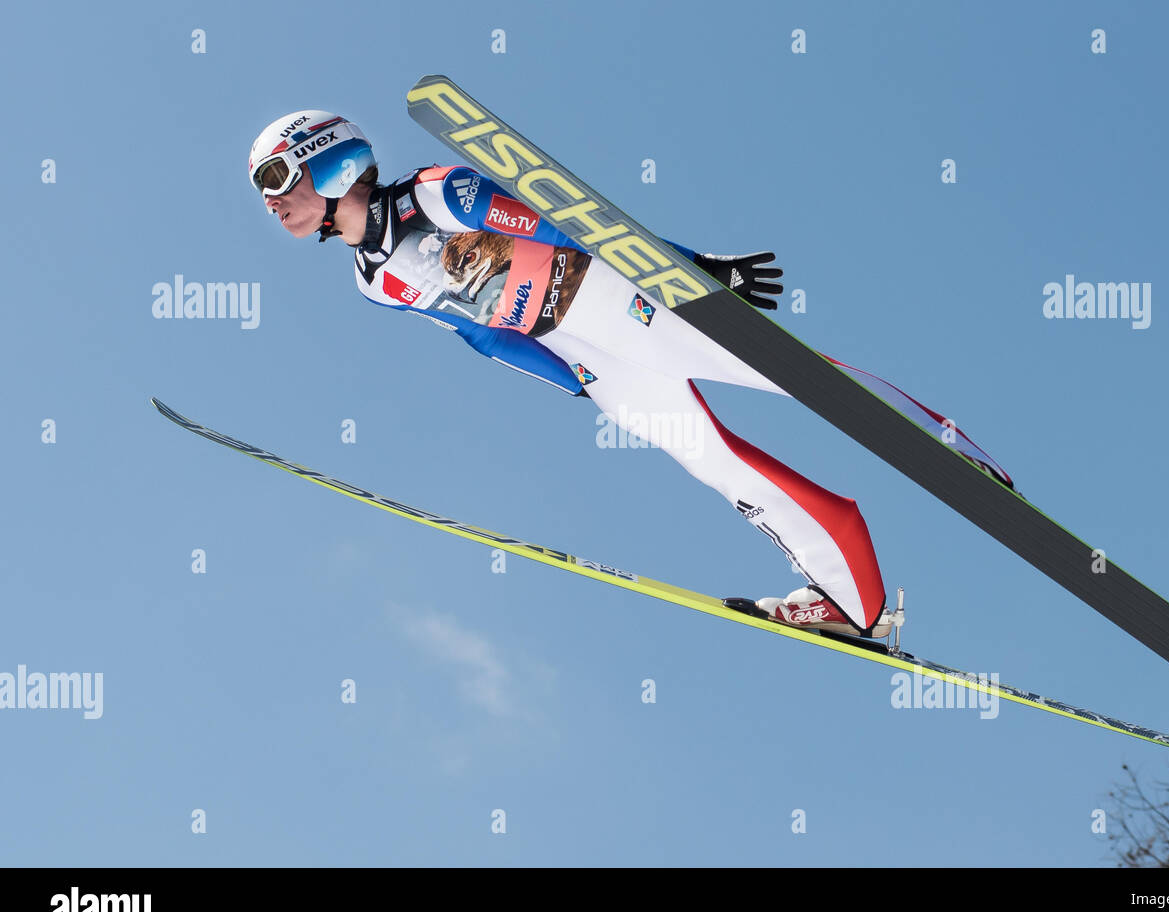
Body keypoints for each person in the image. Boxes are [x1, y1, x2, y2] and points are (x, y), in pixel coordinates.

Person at [248, 109, 914, 638]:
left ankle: (947, 445)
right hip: (592, 355)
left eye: (276, 176)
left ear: (327, 159)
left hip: (620, 301)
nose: (271, 201)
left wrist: (694, 270)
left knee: (797, 377)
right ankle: (854, 600)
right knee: (716, 463)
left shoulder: (435, 194)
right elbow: (479, 334)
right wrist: (568, 377)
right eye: (261, 189)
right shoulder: (373, 282)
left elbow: (571, 225)